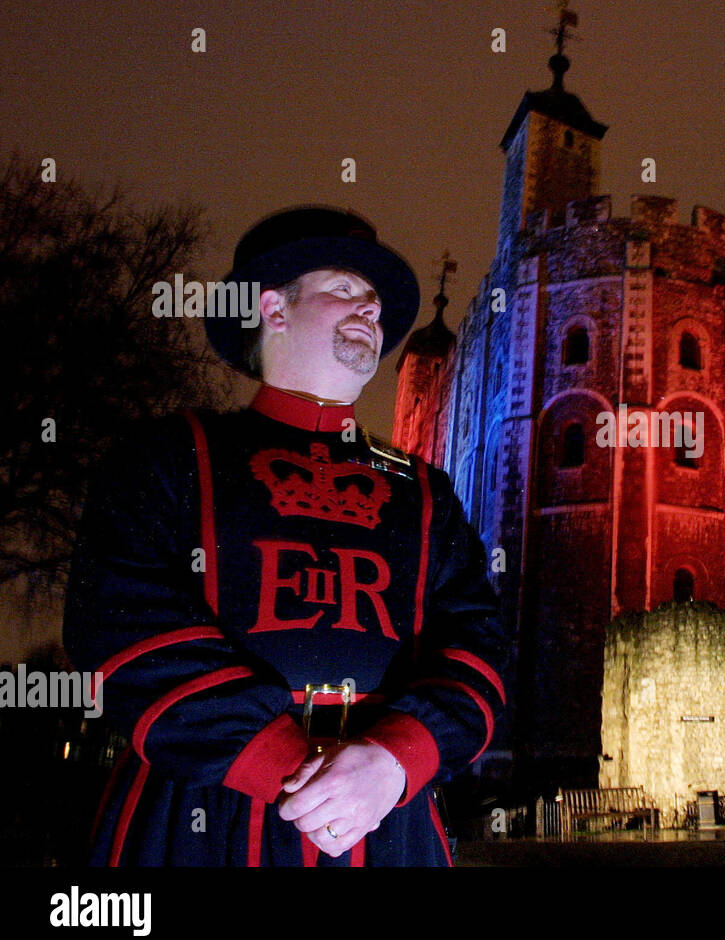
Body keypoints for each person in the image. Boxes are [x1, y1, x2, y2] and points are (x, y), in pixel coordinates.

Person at [64, 206, 508, 866]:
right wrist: (283, 764)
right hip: (204, 810)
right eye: (344, 289)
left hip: (384, 816)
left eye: (376, 302)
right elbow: (118, 625)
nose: (370, 311)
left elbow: (480, 646)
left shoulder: (426, 493)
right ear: (273, 307)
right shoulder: (171, 456)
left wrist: (396, 758)